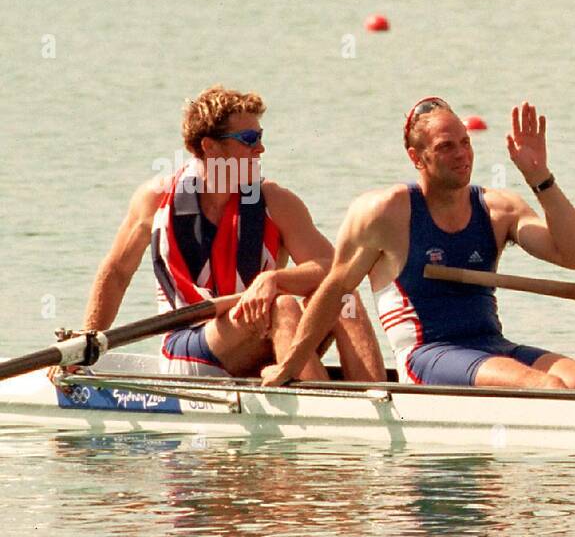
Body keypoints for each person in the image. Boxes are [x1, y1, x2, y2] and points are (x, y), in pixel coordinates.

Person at [261, 97, 575, 390]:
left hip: (493, 346)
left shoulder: (498, 210)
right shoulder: (384, 212)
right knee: (546, 386)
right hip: (429, 356)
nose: (462, 154)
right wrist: (289, 365)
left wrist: (540, 179)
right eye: (446, 147)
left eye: (465, 142)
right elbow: (335, 288)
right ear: (417, 158)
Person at [81, 85, 383, 381]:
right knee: (285, 305)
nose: (261, 148)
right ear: (209, 147)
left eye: (260, 137)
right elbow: (118, 272)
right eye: (249, 139)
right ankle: (325, 410)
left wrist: (274, 278)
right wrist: (85, 344)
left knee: (343, 297)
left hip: (261, 328)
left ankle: (378, 400)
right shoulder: (155, 200)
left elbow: (336, 270)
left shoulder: (277, 202)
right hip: (191, 342)